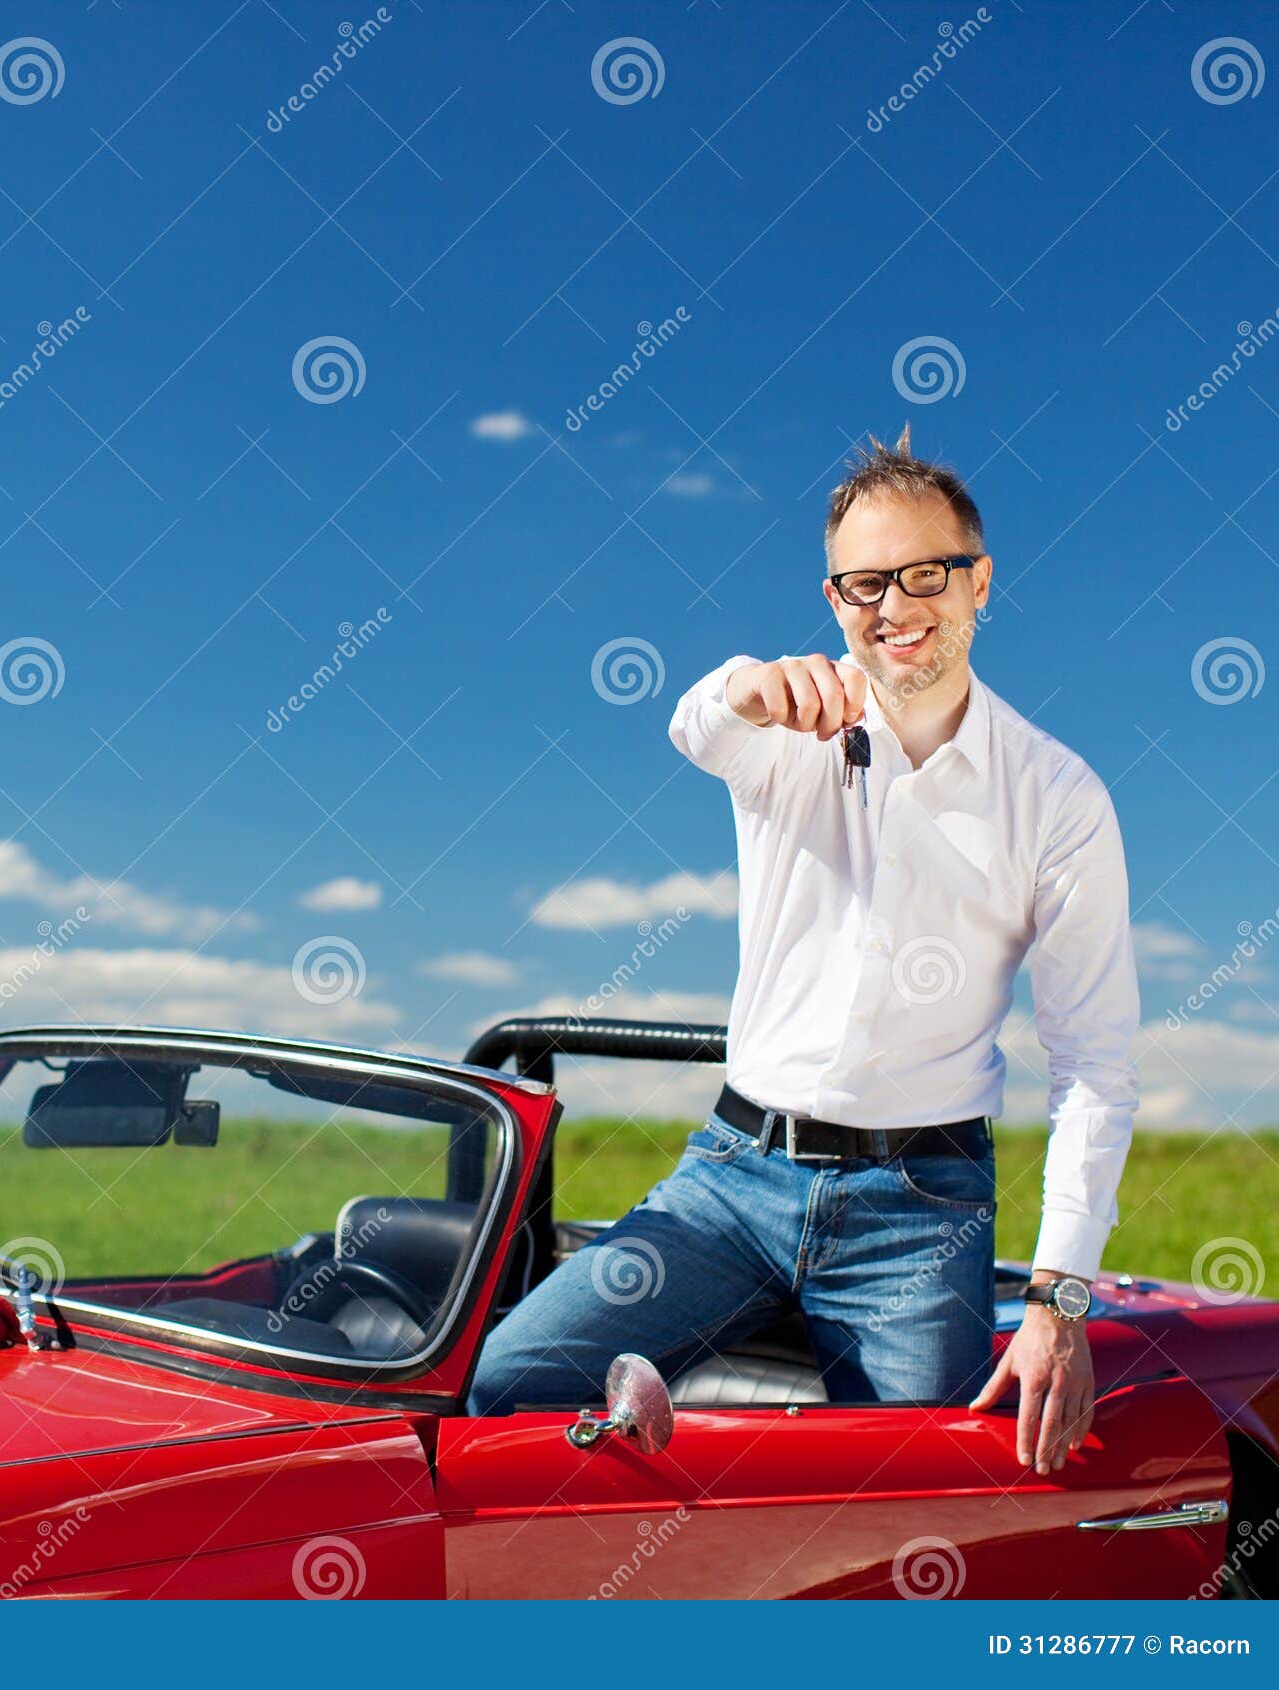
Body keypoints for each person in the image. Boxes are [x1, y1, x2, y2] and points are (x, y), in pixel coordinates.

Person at [468, 427, 1139, 1477]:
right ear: (833, 600)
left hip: (919, 1213)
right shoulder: (783, 726)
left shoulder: (1058, 799)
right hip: (729, 1182)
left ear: (979, 585)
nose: (896, 608)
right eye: (865, 583)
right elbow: (696, 724)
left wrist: (1059, 1295)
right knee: (511, 1387)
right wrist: (744, 683)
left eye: (927, 574)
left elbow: (1094, 1062)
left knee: (923, 1486)